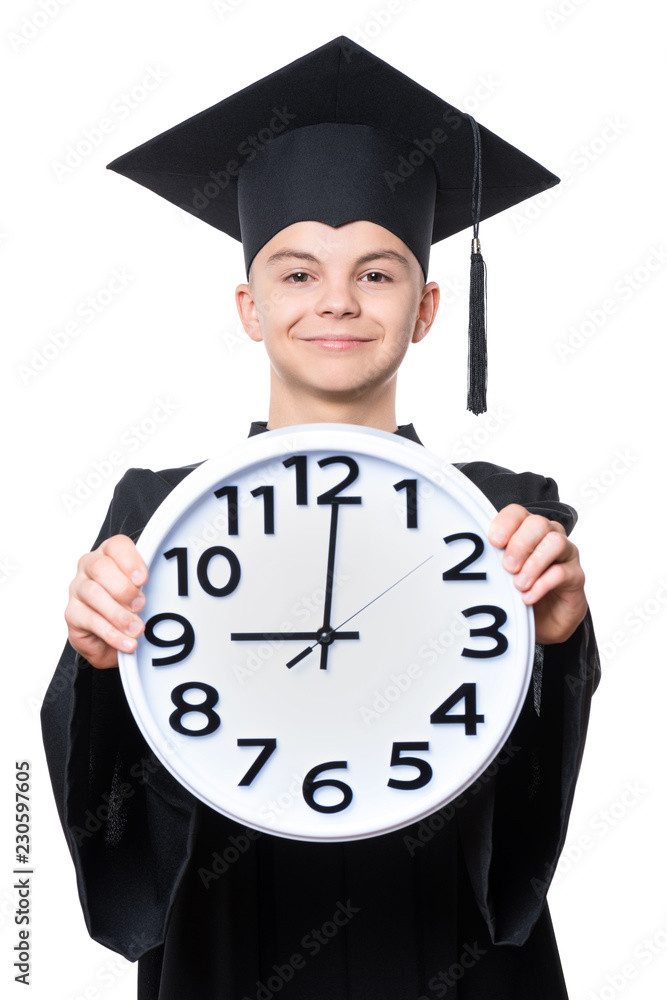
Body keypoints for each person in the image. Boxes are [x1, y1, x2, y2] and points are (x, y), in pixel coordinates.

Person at [42, 36, 599, 999]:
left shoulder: (503, 510)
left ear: (426, 309)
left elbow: (527, 806)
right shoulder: (159, 511)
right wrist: (97, 667)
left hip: (450, 947)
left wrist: (555, 643)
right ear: (248, 306)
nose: (336, 300)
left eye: (377, 274)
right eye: (296, 273)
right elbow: (118, 792)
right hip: (234, 936)